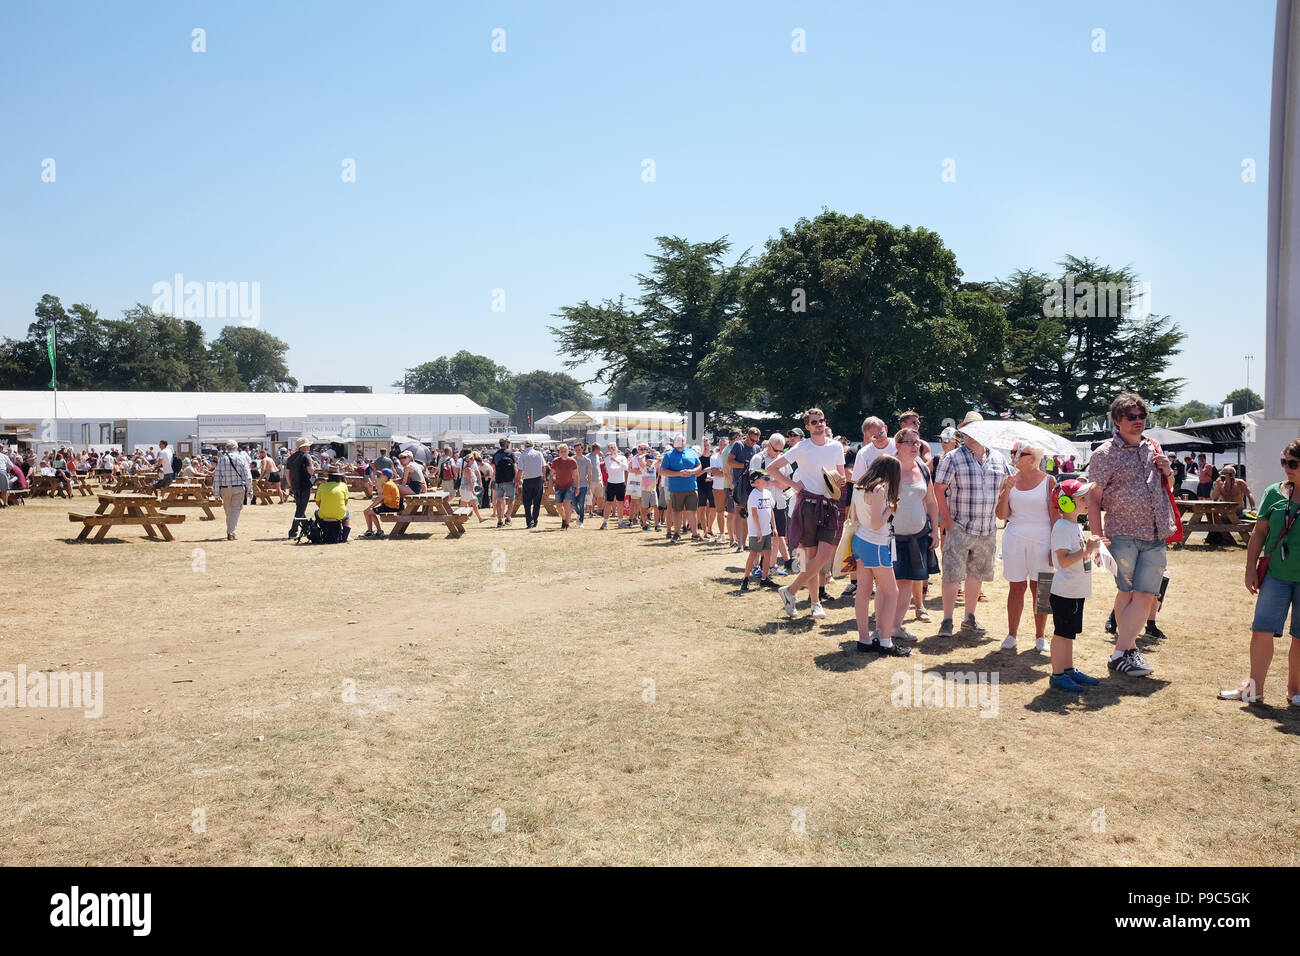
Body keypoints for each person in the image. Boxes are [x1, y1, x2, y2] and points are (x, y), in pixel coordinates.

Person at [1087, 391, 1175, 678]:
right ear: (1117, 420)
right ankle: (1126, 651)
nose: (1139, 421)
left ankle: (1121, 652)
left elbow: (1168, 486)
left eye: (1142, 417)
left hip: (1155, 531)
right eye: (1132, 417)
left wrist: (1168, 470)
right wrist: (1098, 539)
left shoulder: (1153, 447)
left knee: (1147, 596)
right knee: (1127, 592)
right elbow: (1094, 498)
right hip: (1122, 533)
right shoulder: (1104, 454)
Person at [1223, 440, 1300, 705]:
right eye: (1284, 462)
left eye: (1293, 464)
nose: (1286, 468)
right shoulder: (1273, 493)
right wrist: (1249, 569)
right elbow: (1259, 533)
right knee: (1261, 630)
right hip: (1276, 575)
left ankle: (1295, 691)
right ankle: (1254, 690)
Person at [933, 422, 1012, 638]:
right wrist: (948, 522)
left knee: (976, 574)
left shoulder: (998, 458)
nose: (971, 434)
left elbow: (1006, 485)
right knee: (951, 573)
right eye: (967, 429)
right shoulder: (952, 457)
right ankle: (947, 620)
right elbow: (938, 490)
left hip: (987, 528)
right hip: (960, 525)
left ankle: (969, 618)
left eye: (976, 429)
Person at [768, 408, 848, 620]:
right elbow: (772, 469)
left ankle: (790, 591)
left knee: (822, 556)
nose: (819, 424)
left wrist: (841, 480)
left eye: (821, 420)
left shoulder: (836, 446)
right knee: (810, 556)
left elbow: (840, 475)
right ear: (808, 426)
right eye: (814, 422)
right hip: (808, 505)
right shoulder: (801, 447)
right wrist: (794, 485)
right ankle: (815, 603)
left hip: (830, 504)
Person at [995, 443, 1057, 653]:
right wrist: (1007, 489)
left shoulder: (1049, 481)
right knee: (1016, 587)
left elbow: (1055, 516)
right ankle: (1012, 634)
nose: (1014, 456)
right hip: (1015, 539)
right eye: (1012, 452)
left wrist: (1055, 547)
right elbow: (1002, 515)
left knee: (1041, 589)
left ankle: (1040, 636)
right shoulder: (1009, 480)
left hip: (1043, 540)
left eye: (1019, 453)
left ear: (1033, 458)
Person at [1047, 479, 1106, 692]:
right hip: (1065, 591)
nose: (1087, 501)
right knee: (1061, 633)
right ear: (1065, 503)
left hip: (1075, 590)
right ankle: (1057, 674)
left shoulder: (1073, 526)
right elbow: (1062, 560)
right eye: (1081, 498)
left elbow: (1078, 555)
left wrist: (1094, 548)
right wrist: (1086, 550)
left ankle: (1068, 670)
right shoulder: (1063, 527)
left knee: (1069, 633)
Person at [850, 454, 909, 656]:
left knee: (863, 593)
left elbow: (857, 516)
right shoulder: (879, 489)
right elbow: (877, 523)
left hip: (860, 540)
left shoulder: (859, 486)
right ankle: (885, 641)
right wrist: (891, 509)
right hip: (875, 542)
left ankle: (864, 639)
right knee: (892, 592)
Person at [886, 427, 940, 634]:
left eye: (917, 442)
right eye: (909, 442)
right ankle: (884, 627)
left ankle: (896, 626)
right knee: (890, 585)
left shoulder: (923, 469)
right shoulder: (889, 468)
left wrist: (934, 531)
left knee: (908, 581)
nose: (914, 446)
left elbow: (932, 502)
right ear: (898, 445)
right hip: (890, 536)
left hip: (917, 536)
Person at [740, 469, 779, 592]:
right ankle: (745, 579)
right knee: (753, 554)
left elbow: (771, 510)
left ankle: (764, 579)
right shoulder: (753, 495)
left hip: (767, 530)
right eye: (765, 479)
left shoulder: (767, 493)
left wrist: (774, 527)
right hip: (756, 531)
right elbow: (754, 513)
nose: (768, 481)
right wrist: (758, 531)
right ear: (756, 482)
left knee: (767, 554)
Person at [725, 428, 762, 552]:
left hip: (752, 484)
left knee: (749, 514)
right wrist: (744, 465)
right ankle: (740, 543)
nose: (753, 443)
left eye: (756, 441)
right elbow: (730, 462)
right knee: (739, 513)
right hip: (740, 485)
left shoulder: (757, 448)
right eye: (752, 440)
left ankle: (745, 542)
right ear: (747, 436)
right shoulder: (738, 445)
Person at [212, 439, 252, 540]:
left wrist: (216, 494)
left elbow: (217, 477)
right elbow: (248, 476)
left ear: (226, 448)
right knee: (235, 510)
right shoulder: (241, 458)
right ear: (236, 447)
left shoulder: (221, 459)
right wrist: (250, 490)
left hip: (225, 488)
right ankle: (231, 532)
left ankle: (230, 530)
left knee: (228, 510)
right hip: (238, 487)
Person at [285, 437, 315, 537]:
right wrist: (314, 467)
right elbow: (310, 470)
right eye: (308, 445)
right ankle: (293, 531)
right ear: (304, 446)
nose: (309, 447)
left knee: (300, 507)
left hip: (295, 485)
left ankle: (306, 529)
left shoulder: (291, 457)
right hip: (305, 485)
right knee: (301, 509)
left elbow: (287, 473)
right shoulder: (306, 456)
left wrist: (290, 485)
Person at [314, 468, 352, 542]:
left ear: (328, 476)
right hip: (339, 514)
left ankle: (323, 531)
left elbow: (318, 502)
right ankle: (345, 537)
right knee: (347, 513)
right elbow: (345, 502)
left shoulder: (322, 486)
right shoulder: (343, 486)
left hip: (324, 514)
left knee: (316, 512)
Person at [361, 468, 401, 537]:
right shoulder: (390, 483)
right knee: (369, 512)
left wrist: (370, 507)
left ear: (386, 476)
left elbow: (380, 498)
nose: (379, 476)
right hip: (391, 506)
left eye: (381, 474)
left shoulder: (388, 484)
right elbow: (384, 497)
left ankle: (371, 532)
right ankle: (377, 531)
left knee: (367, 512)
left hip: (391, 507)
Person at [518, 439, 546, 528]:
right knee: (537, 502)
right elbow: (543, 467)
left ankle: (529, 521)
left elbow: (520, 470)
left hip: (527, 480)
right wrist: (544, 478)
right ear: (532, 445)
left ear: (525, 446)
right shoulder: (539, 454)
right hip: (538, 479)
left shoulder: (523, 455)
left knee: (527, 503)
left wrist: (517, 480)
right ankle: (535, 520)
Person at [550, 444, 579, 529]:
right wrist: (550, 486)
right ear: (559, 452)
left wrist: (577, 487)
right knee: (559, 507)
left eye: (565, 451)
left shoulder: (572, 461)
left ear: (568, 451)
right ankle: (564, 518)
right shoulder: (556, 461)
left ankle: (567, 524)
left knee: (567, 504)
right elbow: (551, 475)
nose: (563, 453)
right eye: (561, 451)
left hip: (569, 486)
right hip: (558, 486)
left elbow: (576, 475)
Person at [600, 443, 628, 530]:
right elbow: (610, 470)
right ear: (609, 449)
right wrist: (620, 467)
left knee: (620, 503)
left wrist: (617, 462)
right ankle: (605, 522)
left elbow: (626, 467)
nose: (612, 449)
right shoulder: (607, 458)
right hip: (611, 483)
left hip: (620, 483)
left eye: (614, 447)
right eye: (611, 448)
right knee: (608, 503)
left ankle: (620, 522)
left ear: (617, 448)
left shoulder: (622, 458)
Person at [491, 438, 518, 527]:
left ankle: (499, 520)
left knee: (500, 499)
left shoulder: (496, 454)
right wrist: (517, 479)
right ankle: (508, 517)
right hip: (509, 480)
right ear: (506, 444)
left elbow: (494, 468)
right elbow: (515, 467)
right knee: (511, 499)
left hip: (499, 480)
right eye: (508, 443)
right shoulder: (510, 453)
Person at [694, 438, 714, 539]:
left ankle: (710, 528)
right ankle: (705, 531)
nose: (706, 447)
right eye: (704, 445)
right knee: (701, 508)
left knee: (712, 509)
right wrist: (704, 471)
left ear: (710, 445)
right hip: (700, 486)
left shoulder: (714, 458)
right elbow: (695, 475)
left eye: (707, 445)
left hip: (713, 486)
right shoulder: (698, 459)